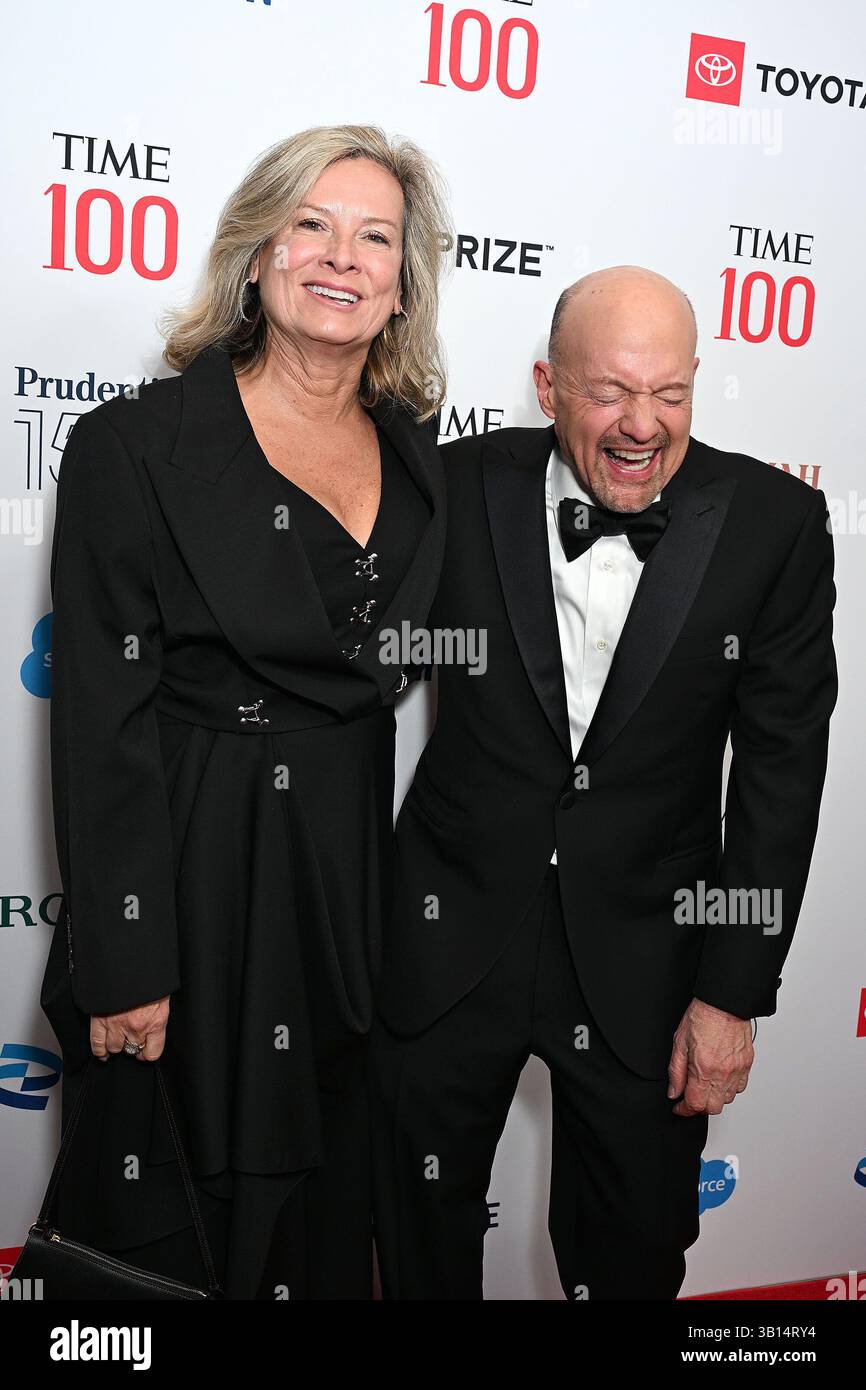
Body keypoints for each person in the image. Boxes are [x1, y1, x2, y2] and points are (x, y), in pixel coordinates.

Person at [369, 265, 837, 1300]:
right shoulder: (449, 484)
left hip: (648, 954)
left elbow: (778, 773)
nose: (643, 426)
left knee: (627, 1256)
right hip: (446, 935)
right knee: (411, 1241)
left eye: (669, 394)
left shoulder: (773, 526)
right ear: (546, 386)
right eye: (610, 392)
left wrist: (728, 992)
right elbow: (355, 682)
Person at [41, 124, 452, 1300]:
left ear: (400, 280)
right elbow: (101, 718)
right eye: (311, 225)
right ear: (258, 254)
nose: (341, 256)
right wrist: (124, 955)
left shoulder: (421, 464)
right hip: (192, 872)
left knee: (326, 1201)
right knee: (172, 1217)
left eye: (375, 236)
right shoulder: (138, 446)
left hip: (342, 889)